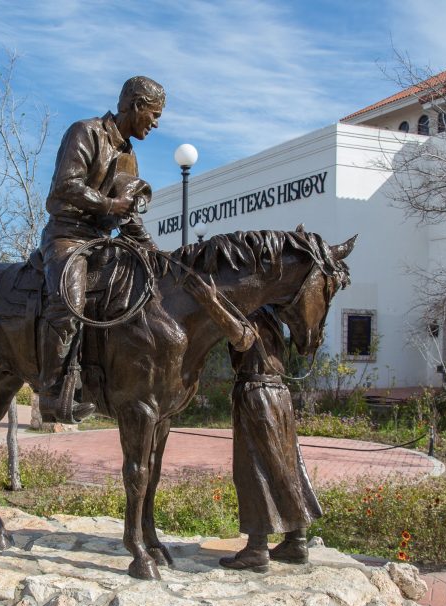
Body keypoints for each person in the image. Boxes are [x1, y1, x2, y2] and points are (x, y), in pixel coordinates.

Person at [38, 75, 165, 423]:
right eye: (153, 115)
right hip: (68, 234)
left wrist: (154, 253)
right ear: (136, 106)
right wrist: (109, 206)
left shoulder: (129, 156)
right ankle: (51, 392)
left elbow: (129, 213)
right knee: (69, 301)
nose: (155, 124)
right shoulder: (86, 132)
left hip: (101, 240)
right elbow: (65, 187)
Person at [187, 279, 322, 571]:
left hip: (257, 393)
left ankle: (257, 549)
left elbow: (243, 339)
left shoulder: (252, 309)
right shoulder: (272, 309)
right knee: (286, 466)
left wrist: (212, 303)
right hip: (279, 393)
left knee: (254, 470)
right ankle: (296, 541)